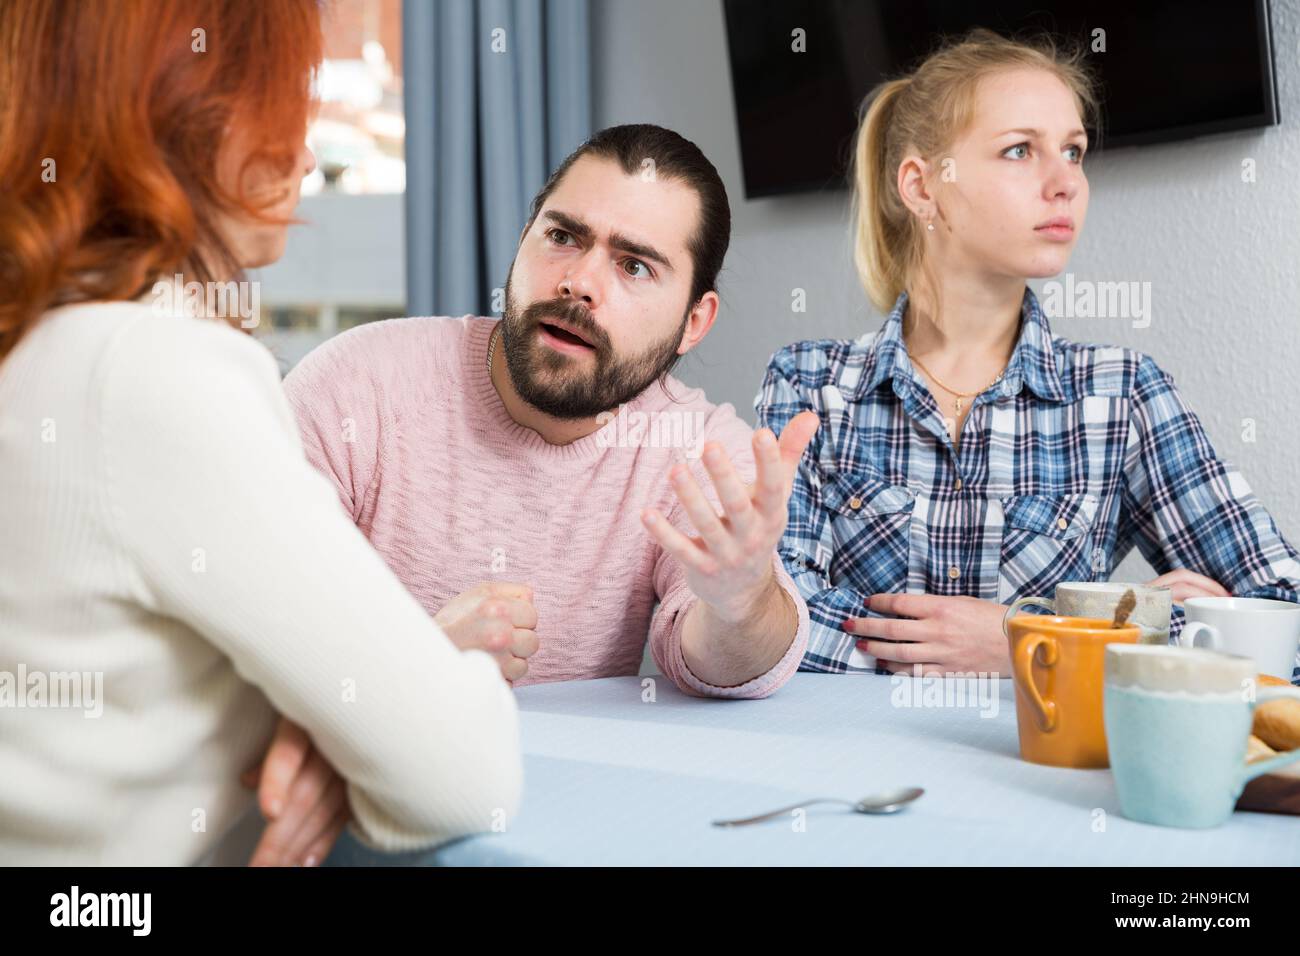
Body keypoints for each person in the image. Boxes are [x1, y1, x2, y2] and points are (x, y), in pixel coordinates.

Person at [0, 0, 521, 865]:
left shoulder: (44, 346)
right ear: (185, 103)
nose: (309, 155)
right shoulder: (153, 371)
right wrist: (350, 730)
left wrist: (328, 720)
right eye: (285, 105)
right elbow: (465, 773)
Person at [755, 29, 1300, 679]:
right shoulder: (809, 383)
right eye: (1020, 150)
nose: (1065, 182)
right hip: (845, 771)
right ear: (922, 187)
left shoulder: (1122, 393)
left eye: (1073, 151)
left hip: (1038, 770)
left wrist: (1033, 637)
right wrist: (1121, 633)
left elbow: (1283, 617)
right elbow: (770, 627)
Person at [284, 124, 818, 697]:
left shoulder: (697, 447)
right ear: (522, 240)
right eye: (563, 236)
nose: (579, 282)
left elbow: (728, 665)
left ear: (694, 322)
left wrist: (741, 601)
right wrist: (419, 661)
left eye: (634, 265)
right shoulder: (353, 386)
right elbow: (241, 627)